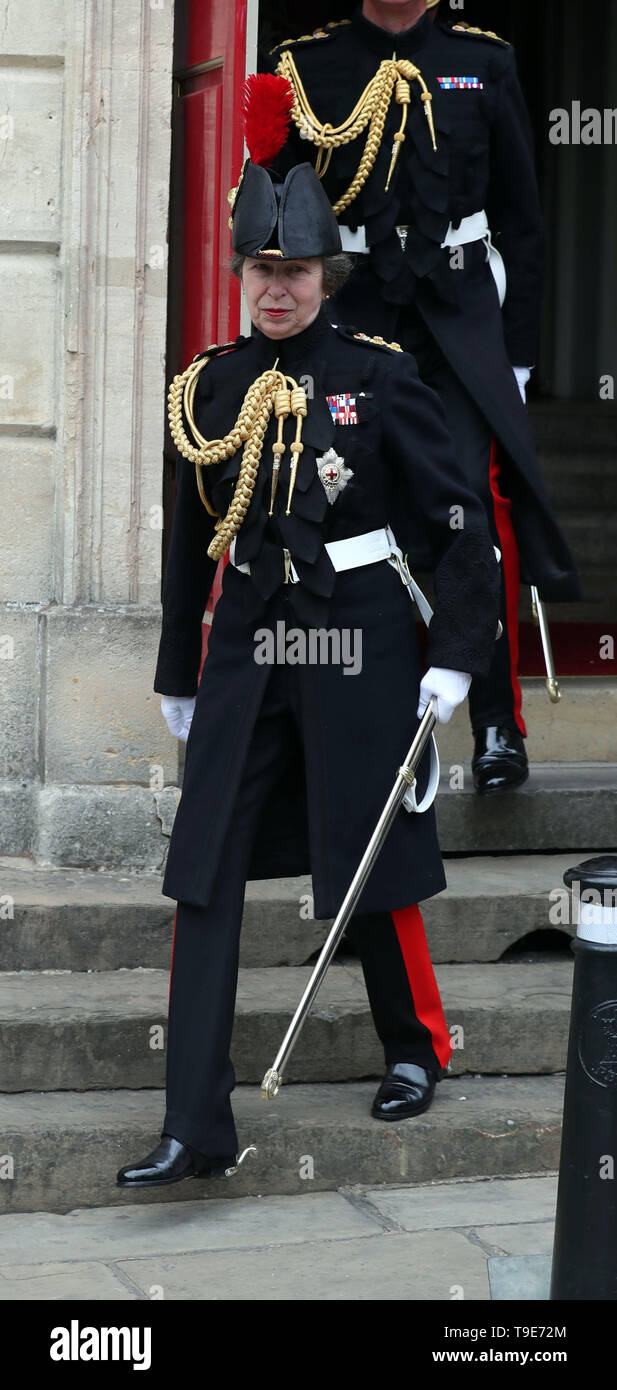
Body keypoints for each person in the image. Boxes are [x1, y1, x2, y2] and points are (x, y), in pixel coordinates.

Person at [117, 82, 500, 1188]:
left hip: (360, 638)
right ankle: (196, 1121)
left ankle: (414, 1046)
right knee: (204, 871)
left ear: (323, 275)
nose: (273, 290)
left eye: (290, 273)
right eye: (257, 272)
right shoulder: (208, 387)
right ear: (238, 276)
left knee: (363, 840)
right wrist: (177, 673)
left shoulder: (377, 379)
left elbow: (455, 524)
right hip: (248, 644)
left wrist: (451, 660)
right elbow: (190, 546)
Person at [267, 0, 581, 792]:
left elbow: (522, 218)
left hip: (459, 319)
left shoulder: (486, 59)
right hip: (350, 312)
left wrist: (514, 356)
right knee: (341, 509)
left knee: (474, 506)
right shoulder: (307, 63)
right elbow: (275, 219)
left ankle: (497, 725)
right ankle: (360, 721)